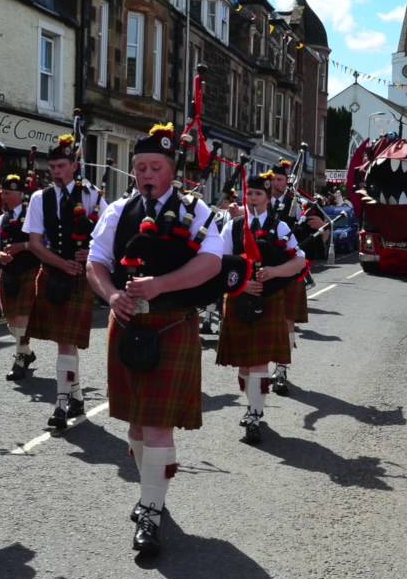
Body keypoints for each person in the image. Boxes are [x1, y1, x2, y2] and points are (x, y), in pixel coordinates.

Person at [86, 122, 224, 557]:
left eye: (155, 166)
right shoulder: (117, 211)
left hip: (171, 324)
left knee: (157, 423)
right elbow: (96, 261)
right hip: (128, 324)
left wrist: (162, 285)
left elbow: (212, 263)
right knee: (133, 421)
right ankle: (153, 493)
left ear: (171, 170)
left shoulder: (196, 212)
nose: (146, 174)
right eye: (140, 166)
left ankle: (150, 510)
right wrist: (110, 296)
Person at [215, 174, 305, 443]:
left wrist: (274, 271)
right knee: (244, 366)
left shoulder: (279, 228)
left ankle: (254, 414)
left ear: (267, 198)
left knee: (258, 362)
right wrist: (241, 285)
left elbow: (299, 260)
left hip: (269, 301)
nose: (253, 199)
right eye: (250, 194)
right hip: (238, 299)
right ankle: (253, 402)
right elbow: (218, 262)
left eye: (258, 195)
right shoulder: (233, 227)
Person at [25, 135, 106, 428]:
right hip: (53, 273)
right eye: (53, 166)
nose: (56, 171)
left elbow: (108, 239)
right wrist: (62, 263)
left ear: (74, 165)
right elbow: (34, 243)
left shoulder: (93, 196)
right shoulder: (39, 198)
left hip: (80, 278)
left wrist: (92, 251)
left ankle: (61, 404)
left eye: (61, 165)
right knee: (64, 342)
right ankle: (76, 396)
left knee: (67, 343)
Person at [0, 174, 41, 382]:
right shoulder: (2, 219)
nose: (4, 195)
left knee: (22, 319)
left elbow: (42, 244)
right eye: (3, 192)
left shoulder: (33, 216)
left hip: (29, 270)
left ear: (21, 194)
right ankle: (27, 351)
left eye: (8, 192)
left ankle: (20, 360)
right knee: (11, 322)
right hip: (8, 273)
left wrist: (23, 246)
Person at [268, 159, 310, 396]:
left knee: (287, 319)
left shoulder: (296, 205)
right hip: (265, 268)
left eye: (281, 179)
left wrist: (312, 227)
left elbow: (304, 231)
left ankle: (282, 368)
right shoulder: (260, 203)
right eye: (274, 179)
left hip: (289, 267)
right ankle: (260, 370)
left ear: (287, 181)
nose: (277, 183)